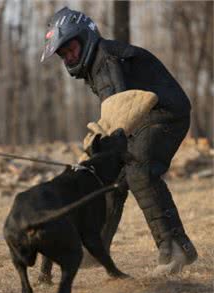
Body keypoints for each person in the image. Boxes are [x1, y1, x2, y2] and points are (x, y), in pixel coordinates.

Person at [41, 7, 198, 275]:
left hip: (165, 114)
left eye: (71, 49)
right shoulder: (97, 62)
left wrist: (92, 154)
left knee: (139, 172)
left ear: (85, 36)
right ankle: (95, 247)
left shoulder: (105, 60)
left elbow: (117, 109)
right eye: (64, 54)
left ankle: (176, 248)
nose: (69, 56)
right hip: (144, 118)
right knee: (112, 180)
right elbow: (119, 113)